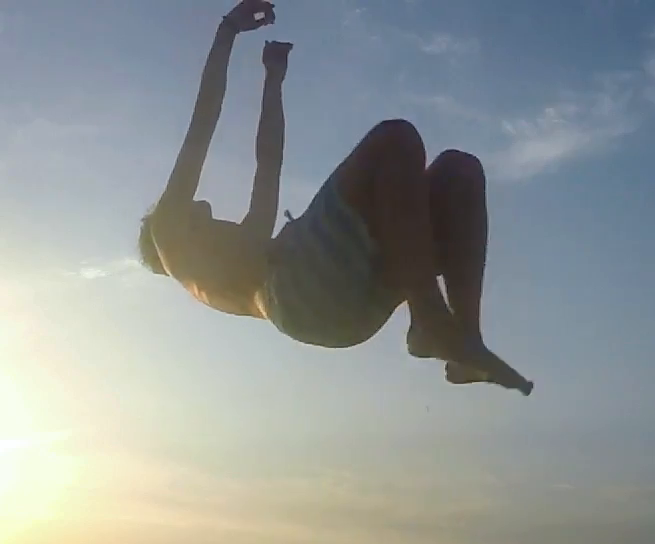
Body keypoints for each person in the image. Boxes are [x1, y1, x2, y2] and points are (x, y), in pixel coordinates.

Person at [139, 1, 533, 394]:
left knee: (457, 173)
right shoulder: (168, 234)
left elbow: (268, 162)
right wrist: (226, 31)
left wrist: (273, 81)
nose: (202, 204)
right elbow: (201, 125)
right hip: (298, 290)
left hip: (339, 308)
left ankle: (463, 339)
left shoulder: (246, 247)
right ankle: (430, 314)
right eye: (191, 209)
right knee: (395, 139)